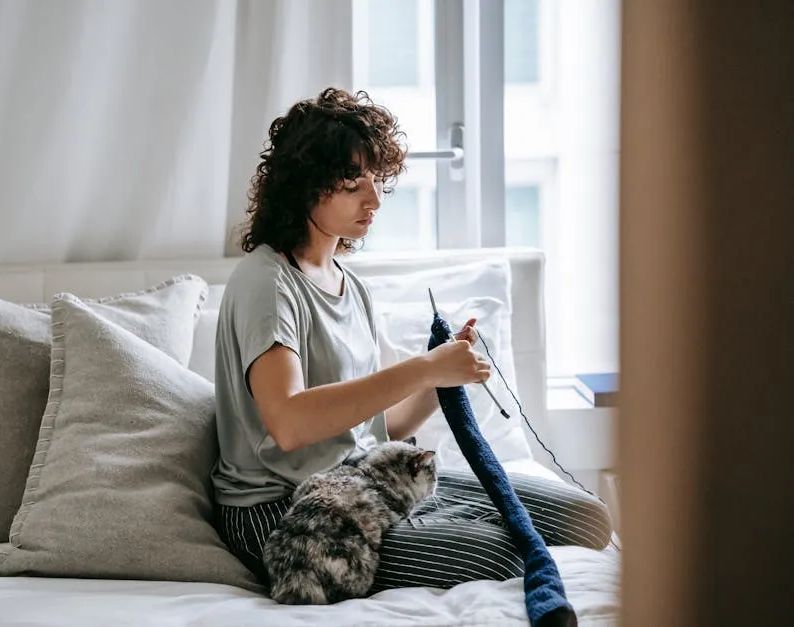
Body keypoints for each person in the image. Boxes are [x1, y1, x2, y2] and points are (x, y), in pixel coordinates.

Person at [211, 87, 612, 592]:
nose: (374, 200)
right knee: (500, 553)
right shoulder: (266, 282)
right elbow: (289, 423)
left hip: (360, 481)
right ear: (305, 185)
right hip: (285, 512)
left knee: (585, 518)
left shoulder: (349, 285)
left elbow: (382, 425)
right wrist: (422, 369)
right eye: (354, 182)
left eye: (376, 180)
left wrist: (441, 378)